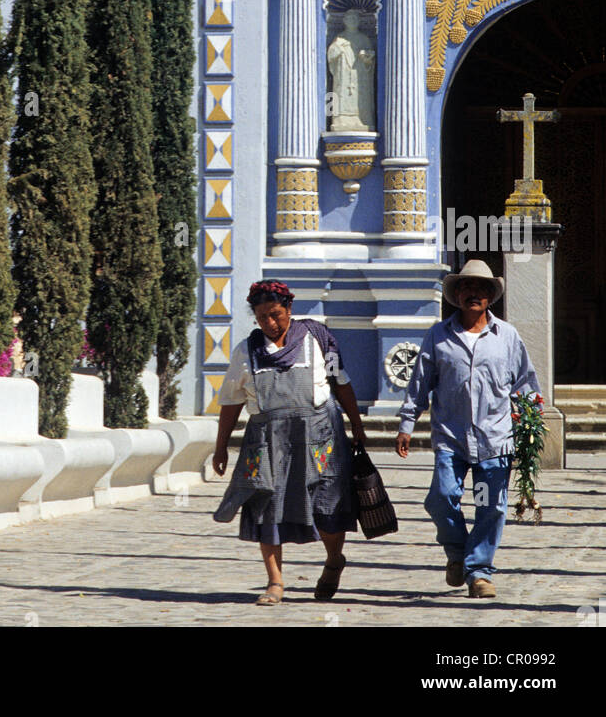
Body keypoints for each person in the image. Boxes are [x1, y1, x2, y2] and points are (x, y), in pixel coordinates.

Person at [212, 279, 366, 606]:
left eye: (276, 314)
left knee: (328, 502)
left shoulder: (318, 339)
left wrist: (356, 423)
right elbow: (230, 402)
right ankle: (275, 582)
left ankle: (333, 560)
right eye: (262, 316)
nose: (270, 322)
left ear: (289, 309)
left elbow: (341, 383)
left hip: (321, 435)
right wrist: (221, 445)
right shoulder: (246, 351)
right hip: (267, 440)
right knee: (265, 504)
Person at [396, 258, 540, 600]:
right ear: (456, 294)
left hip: (495, 439)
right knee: (442, 498)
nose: (472, 293)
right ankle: (458, 553)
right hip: (451, 437)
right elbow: (420, 384)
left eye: (480, 289)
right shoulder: (438, 336)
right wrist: (406, 423)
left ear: (490, 296)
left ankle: (478, 572)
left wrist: (530, 416)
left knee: (490, 506)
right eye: (466, 287)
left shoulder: (507, 336)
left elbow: (525, 382)